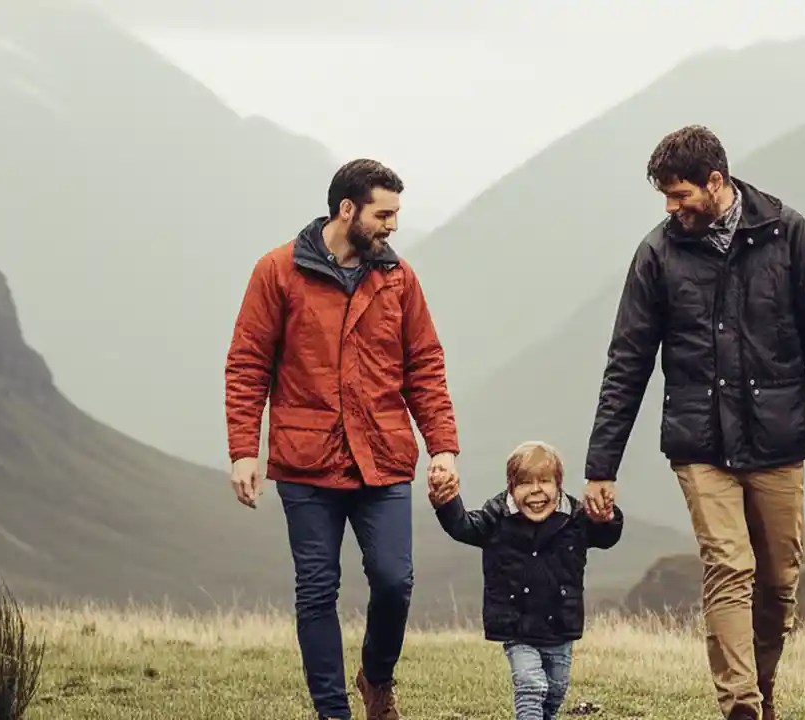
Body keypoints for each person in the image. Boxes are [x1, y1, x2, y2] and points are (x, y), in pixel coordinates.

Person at [581, 125, 805, 720]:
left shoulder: (788, 234)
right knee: (729, 565)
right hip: (699, 441)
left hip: (778, 436)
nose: (671, 209)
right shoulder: (658, 253)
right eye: (665, 198)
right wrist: (601, 466)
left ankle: (760, 684)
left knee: (778, 580)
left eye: (679, 196)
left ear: (716, 181)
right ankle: (741, 705)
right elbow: (627, 361)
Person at [224, 158, 460, 720]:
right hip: (306, 462)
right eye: (385, 214)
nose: (393, 227)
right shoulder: (277, 271)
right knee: (316, 590)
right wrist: (243, 451)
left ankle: (376, 678)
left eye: (397, 214)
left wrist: (443, 445)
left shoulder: (399, 278)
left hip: (383, 457)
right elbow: (248, 364)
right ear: (347, 209)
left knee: (393, 579)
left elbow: (424, 365)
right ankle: (334, 713)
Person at [428, 440, 623, 720]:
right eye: (524, 483)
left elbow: (606, 537)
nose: (535, 491)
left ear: (558, 486)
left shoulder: (576, 518)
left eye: (544, 481)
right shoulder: (497, 516)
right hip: (516, 626)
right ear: (511, 488)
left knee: (555, 690)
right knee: (531, 685)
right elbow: (464, 527)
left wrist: (607, 517)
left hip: (560, 625)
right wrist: (446, 504)